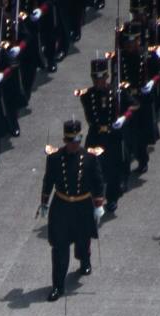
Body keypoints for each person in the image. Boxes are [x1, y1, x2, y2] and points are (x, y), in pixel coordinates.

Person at [40, 117, 103, 294]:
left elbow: (98, 182)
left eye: (76, 141)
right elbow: (48, 181)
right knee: (60, 247)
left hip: (82, 205)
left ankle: (85, 260)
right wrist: (44, 202)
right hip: (62, 206)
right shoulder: (55, 158)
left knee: (83, 240)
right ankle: (58, 285)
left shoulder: (89, 158)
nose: (73, 145)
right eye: (70, 141)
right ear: (65, 140)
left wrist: (98, 204)